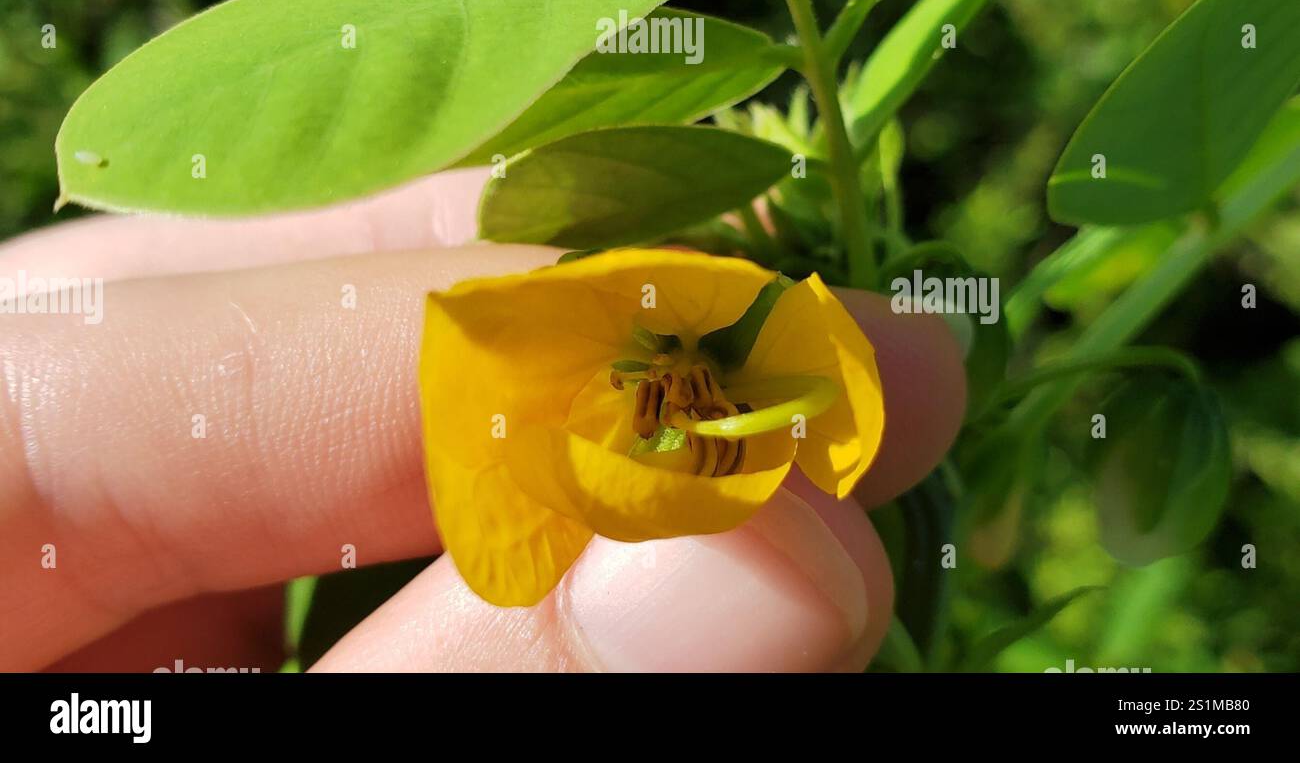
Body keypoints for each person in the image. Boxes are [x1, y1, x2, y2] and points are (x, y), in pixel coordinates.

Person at [0, 169, 964, 673]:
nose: (679, 417)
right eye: (672, 395)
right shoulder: (551, 356)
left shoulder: (781, 358)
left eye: (681, 397)